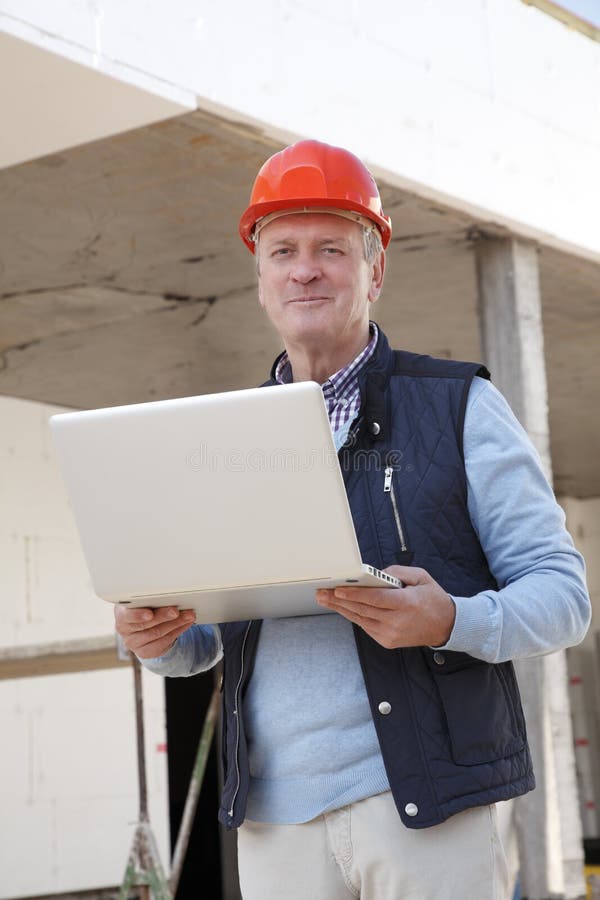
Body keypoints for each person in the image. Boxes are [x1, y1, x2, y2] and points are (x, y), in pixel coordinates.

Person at [115, 140, 590, 899]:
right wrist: (160, 639)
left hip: (424, 811)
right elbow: (211, 640)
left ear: (375, 270)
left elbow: (565, 598)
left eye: (331, 248)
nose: (305, 268)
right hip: (275, 820)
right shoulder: (221, 439)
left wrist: (450, 620)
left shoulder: (459, 407)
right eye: (283, 251)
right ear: (261, 278)